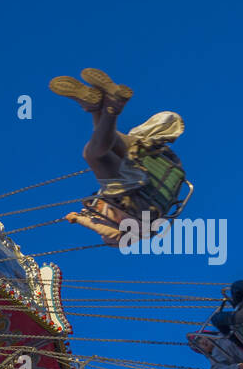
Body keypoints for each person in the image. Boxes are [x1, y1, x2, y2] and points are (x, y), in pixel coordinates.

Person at [51, 68, 185, 245]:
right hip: (134, 196)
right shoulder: (127, 230)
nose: (93, 206)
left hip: (147, 157)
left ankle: (96, 107)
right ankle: (110, 107)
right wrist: (78, 219)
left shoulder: (139, 215)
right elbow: (114, 236)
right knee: (92, 154)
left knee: (107, 139)